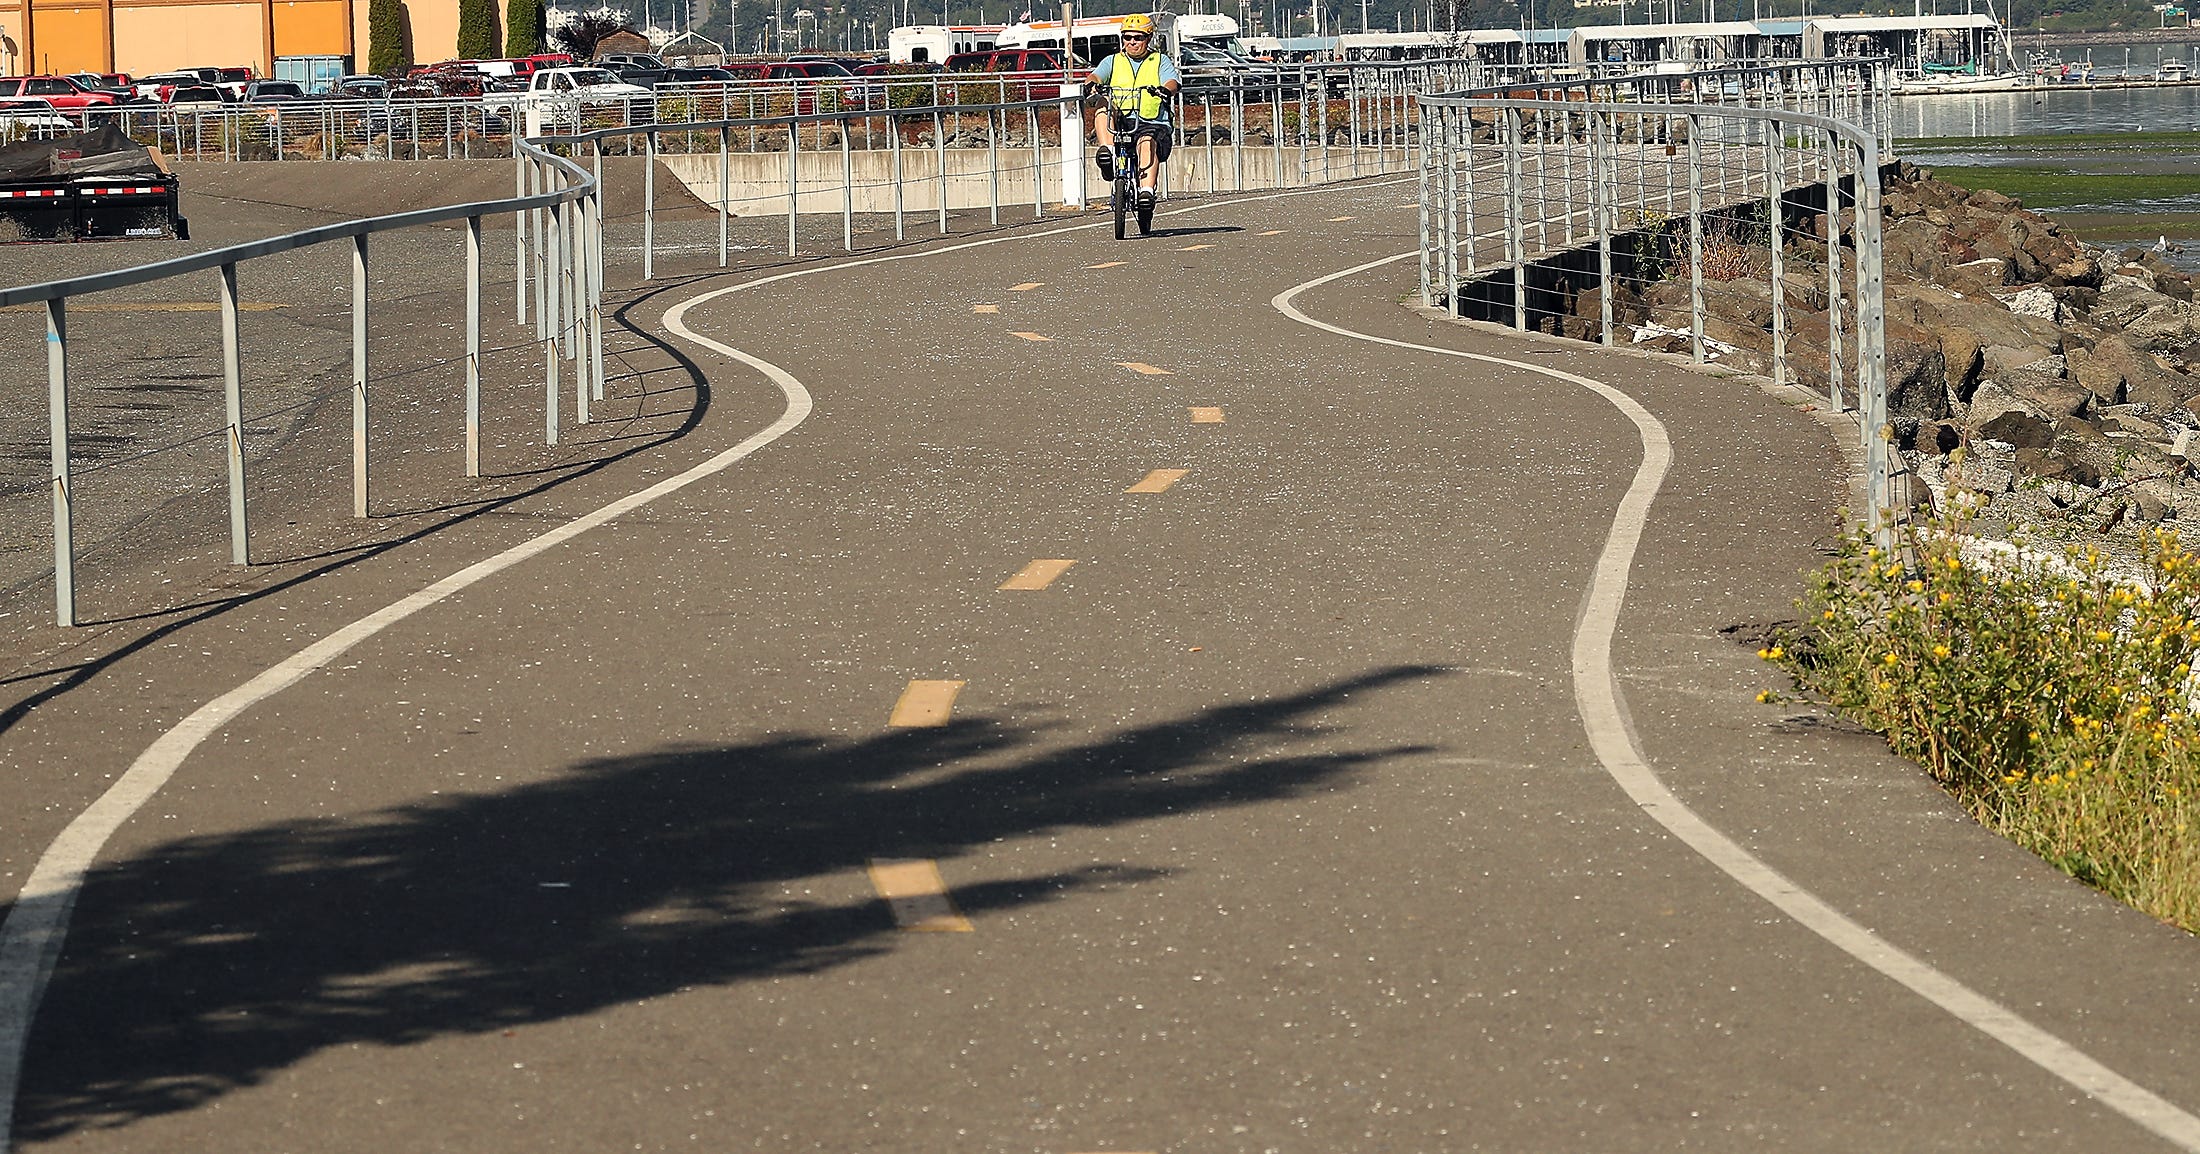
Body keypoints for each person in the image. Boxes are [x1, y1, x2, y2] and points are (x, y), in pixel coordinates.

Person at [1087, 12, 1180, 208]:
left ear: (1148, 38)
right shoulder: (1112, 61)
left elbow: (1173, 81)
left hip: (1152, 121)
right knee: (1103, 103)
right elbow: (1096, 76)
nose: (1132, 42)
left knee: (1146, 142)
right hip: (1121, 120)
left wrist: (1165, 89)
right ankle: (1108, 152)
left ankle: (1146, 191)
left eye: (1138, 37)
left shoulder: (1159, 60)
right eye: (1127, 37)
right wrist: (1091, 84)